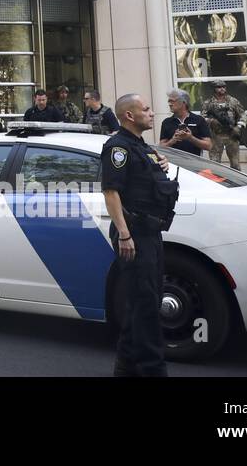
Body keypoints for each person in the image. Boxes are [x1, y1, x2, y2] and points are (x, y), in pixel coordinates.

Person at [100, 93, 177, 377]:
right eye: (145, 109)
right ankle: (152, 370)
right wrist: (123, 234)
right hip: (132, 234)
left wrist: (161, 165)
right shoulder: (117, 148)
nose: (152, 112)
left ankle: (126, 367)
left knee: (146, 301)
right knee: (145, 307)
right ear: (129, 116)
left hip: (150, 233)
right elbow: (111, 192)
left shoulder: (140, 146)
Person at [201, 82, 246, 168]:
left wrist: (238, 127)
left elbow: (242, 115)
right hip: (216, 136)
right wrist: (211, 121)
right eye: (219, 87)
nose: (222, 89)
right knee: (215, 163)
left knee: (235, 163)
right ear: (214, 89)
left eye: (224, 87)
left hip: (232, 135)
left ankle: (235, 180)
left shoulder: (233, 101)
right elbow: (202, 117)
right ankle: (216, 181)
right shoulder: (208, 103)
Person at [158, 89, 211, 158]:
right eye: (169, 101)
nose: (170, 104)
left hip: (195, 164)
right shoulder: (167, 122)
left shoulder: (199, 120)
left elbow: (208, 146)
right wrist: (173, 140)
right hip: (174, 164)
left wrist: (191, 138)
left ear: (184, 102)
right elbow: (161, 148)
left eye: (172, 101)